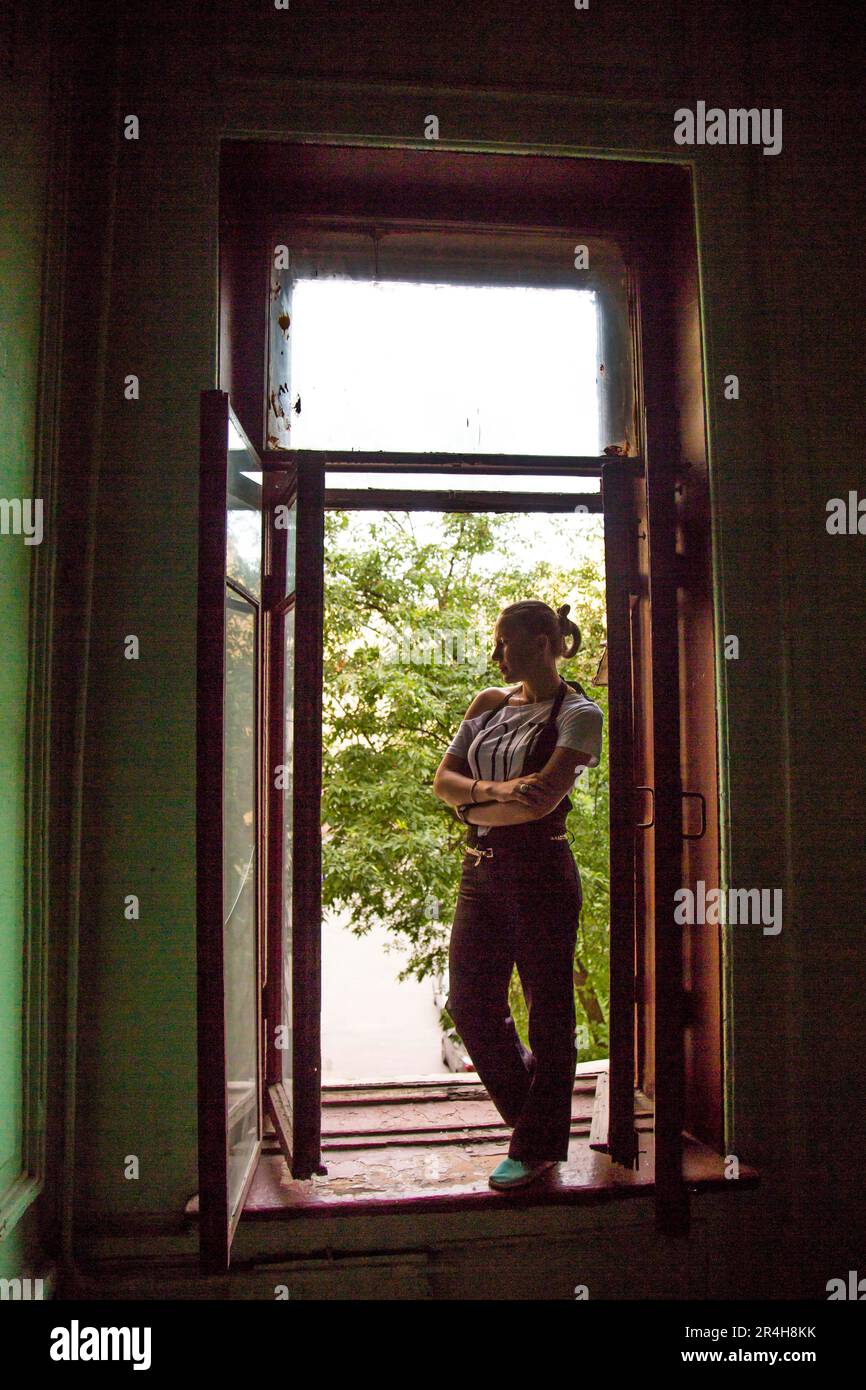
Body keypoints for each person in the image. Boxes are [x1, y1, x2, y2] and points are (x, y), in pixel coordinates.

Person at [432, 600, 603, 1191]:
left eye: (503, 640)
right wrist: (492, 790)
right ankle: (540, 1123)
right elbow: (442, 783)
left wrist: (471, 798)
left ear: (540, 640)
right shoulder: (488, 703)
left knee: (548, 1010)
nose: (495, 652)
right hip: (479, 870)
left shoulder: (581, 714)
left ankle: (533, 1148)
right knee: (471, 1005)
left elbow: (544, 799)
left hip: (540, 874)